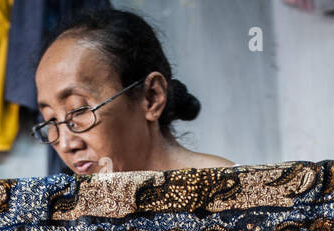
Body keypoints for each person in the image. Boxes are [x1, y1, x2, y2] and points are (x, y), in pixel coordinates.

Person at [32, 10, 234, 175]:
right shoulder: (66, 211)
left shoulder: (235, 196)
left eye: (79, 110)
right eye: (50, 120)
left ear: (151, 97)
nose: (66, 144)